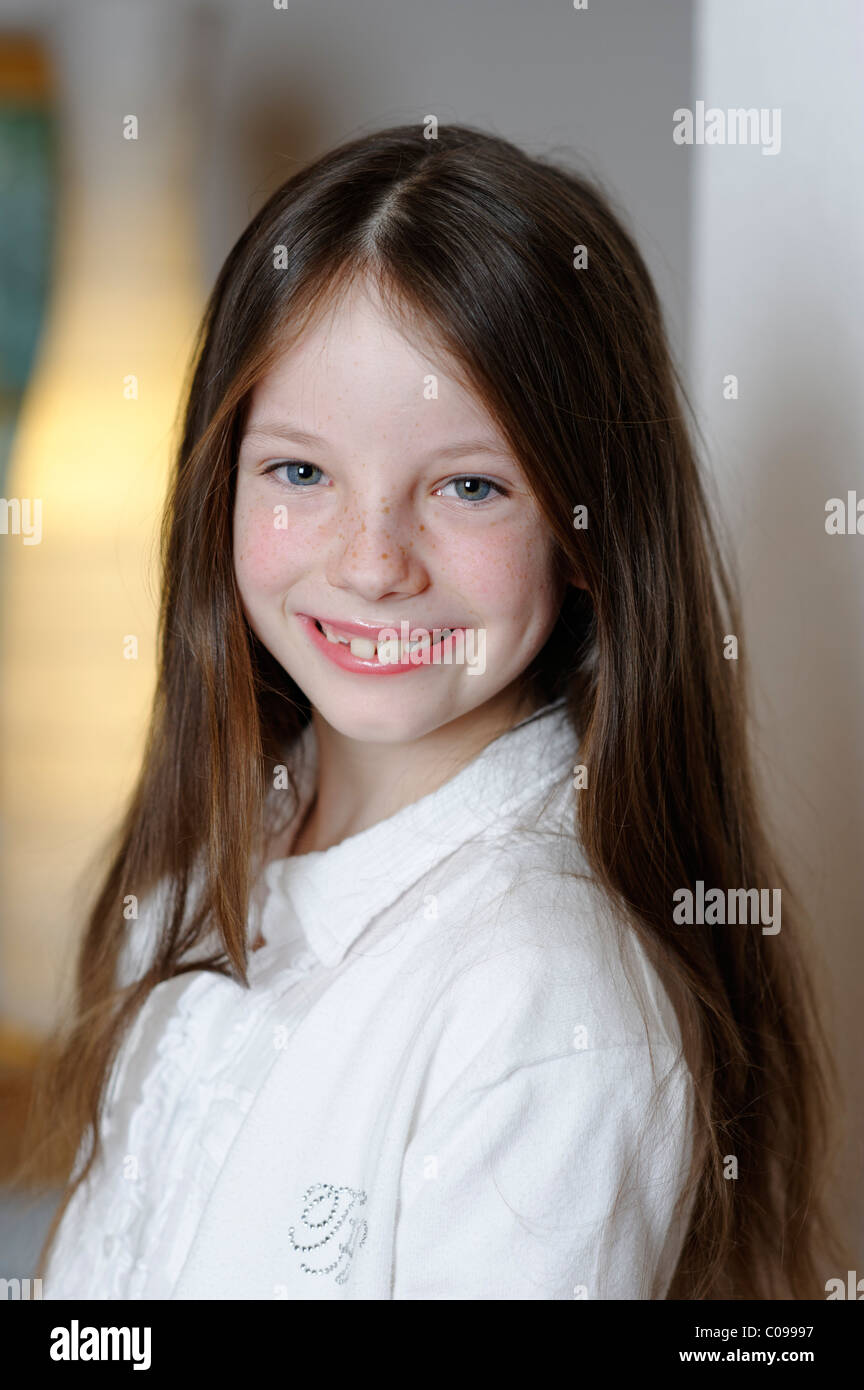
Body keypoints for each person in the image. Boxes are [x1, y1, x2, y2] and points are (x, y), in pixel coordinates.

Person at [29, 123, 842, 1299]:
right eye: (301, 472)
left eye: (468, 485)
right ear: (223, 484)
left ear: (587, 535)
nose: (372, 565)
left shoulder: (544, 1006)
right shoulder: (224, 847)